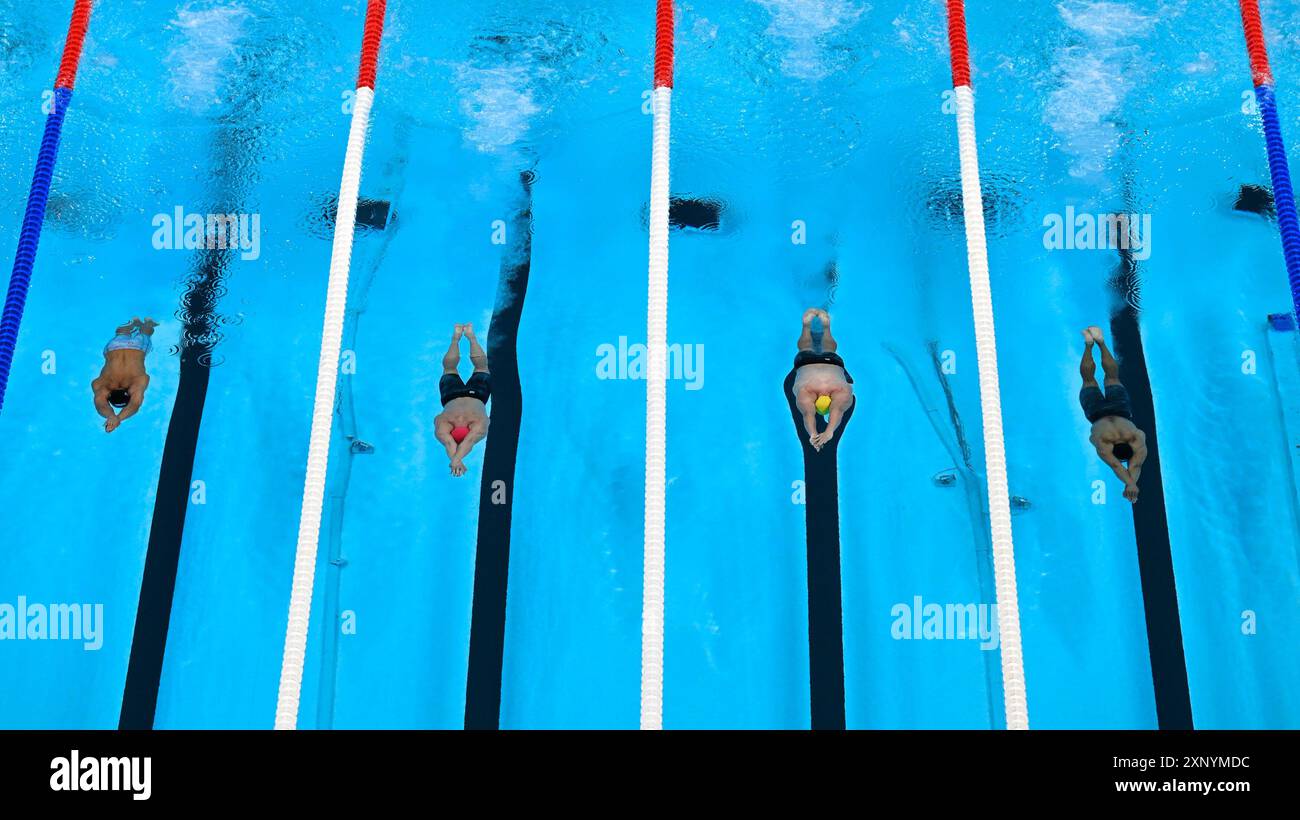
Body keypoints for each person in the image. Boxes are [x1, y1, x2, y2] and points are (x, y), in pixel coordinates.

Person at [1079, 325, 1147, 503]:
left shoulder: (1136, 438)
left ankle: (1100, 342)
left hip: (1121, 410)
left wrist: (1132, 484)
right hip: (1096, 413)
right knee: (1088, 380)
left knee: (1112, 377)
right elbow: (1117, 466)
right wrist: (1129, 484)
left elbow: (1136, 463)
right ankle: (1088, 344)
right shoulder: (1103, 445)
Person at [789, 308, 855, 452]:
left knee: (830, 350)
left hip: (831, 362)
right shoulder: (806, 391)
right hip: (806, 362)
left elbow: (836, 409)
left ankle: (826, 326)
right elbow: (808, 414)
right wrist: (813, 434)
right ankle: (807, 325)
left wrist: (829, 432)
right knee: (805, 348)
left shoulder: (840, 389)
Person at [434, 323, 490, 477]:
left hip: (477, 395)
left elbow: (468, 442)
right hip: (451, 395)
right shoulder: (443, 425)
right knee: (449, 369)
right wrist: (455, 461)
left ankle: (470, 337)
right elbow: (450, 443)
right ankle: (457, 337)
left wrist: (456, 461)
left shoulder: (480, 425)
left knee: (482, 368)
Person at [91, 317, 157, 433]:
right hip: (113, 348)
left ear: (129, 394)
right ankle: (134, 322)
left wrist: (118, 418)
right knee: (121, 331)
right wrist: (111, 416)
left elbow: (135, 404)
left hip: (138, 348)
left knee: (146, 331)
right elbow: (100, 404)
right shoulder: (100, 384)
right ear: (109, 396)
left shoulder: (139, 381)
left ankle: (148, 322)